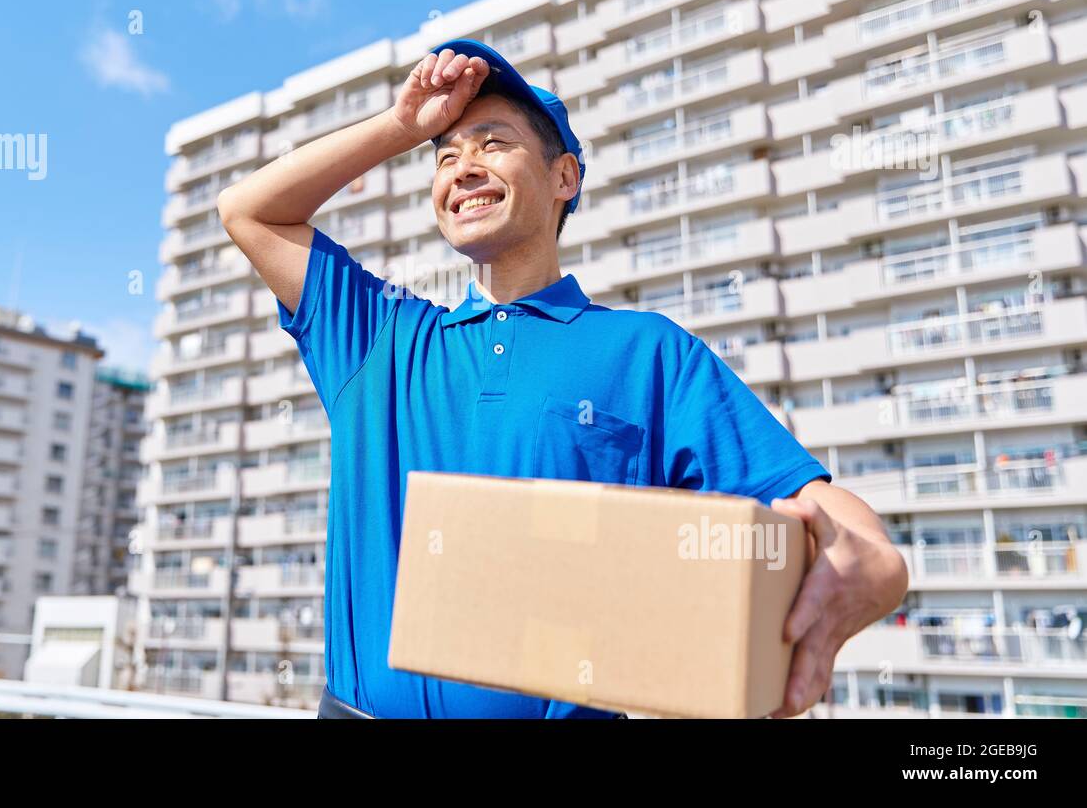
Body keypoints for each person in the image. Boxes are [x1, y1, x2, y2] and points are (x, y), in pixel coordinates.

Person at [217, 39, 909, 718]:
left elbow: (815, 503)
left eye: (493, 143)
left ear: (564, 178)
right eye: (446, 156)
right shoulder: (379, 335)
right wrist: (402, 127)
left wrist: (878, 562)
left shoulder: (645, 351)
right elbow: (248, 210)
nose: (463, 168)